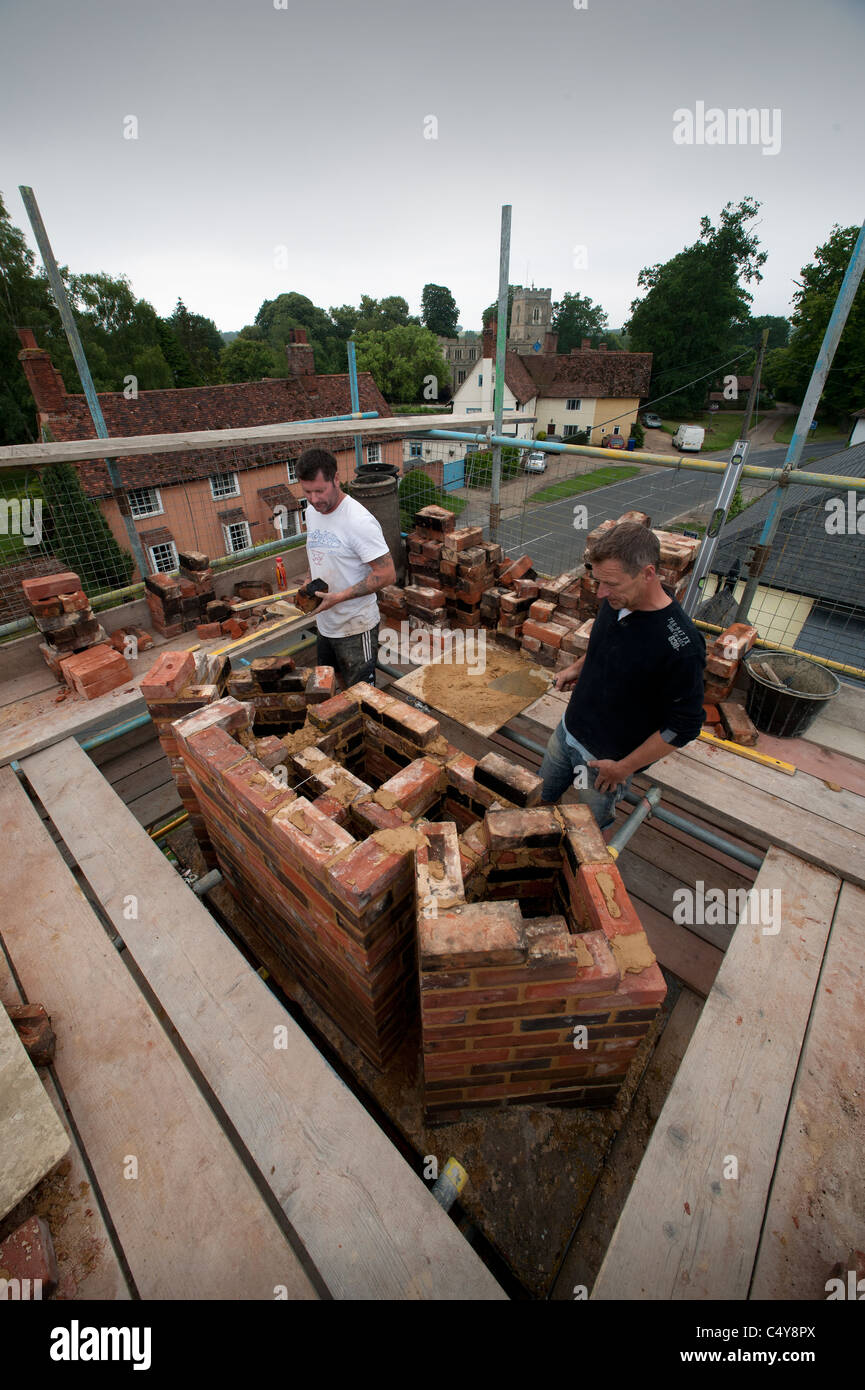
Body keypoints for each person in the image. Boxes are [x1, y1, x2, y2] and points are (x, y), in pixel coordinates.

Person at [539, 521, 705, 827]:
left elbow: (684, 726)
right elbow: (602, 644)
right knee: (539, 799)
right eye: (598, 581)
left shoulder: (681, 646)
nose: (601, 593)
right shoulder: (618, 599)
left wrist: (623, 768)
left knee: (586, 834)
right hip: (568, 732)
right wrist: (575, 669)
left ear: (648, 574)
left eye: (611, 584)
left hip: (606, 765)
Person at [296, 447, 396, 688]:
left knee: (362, 695)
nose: (314, 499)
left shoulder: (358, 521)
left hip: (355, 625)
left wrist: (339, 597)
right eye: (307, 491)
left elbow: (387, 574)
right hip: (326, 623)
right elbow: (317, 552)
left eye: (320, 490)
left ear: (336, 479)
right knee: (333, 686)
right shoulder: (312, 511)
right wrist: (309, 583)